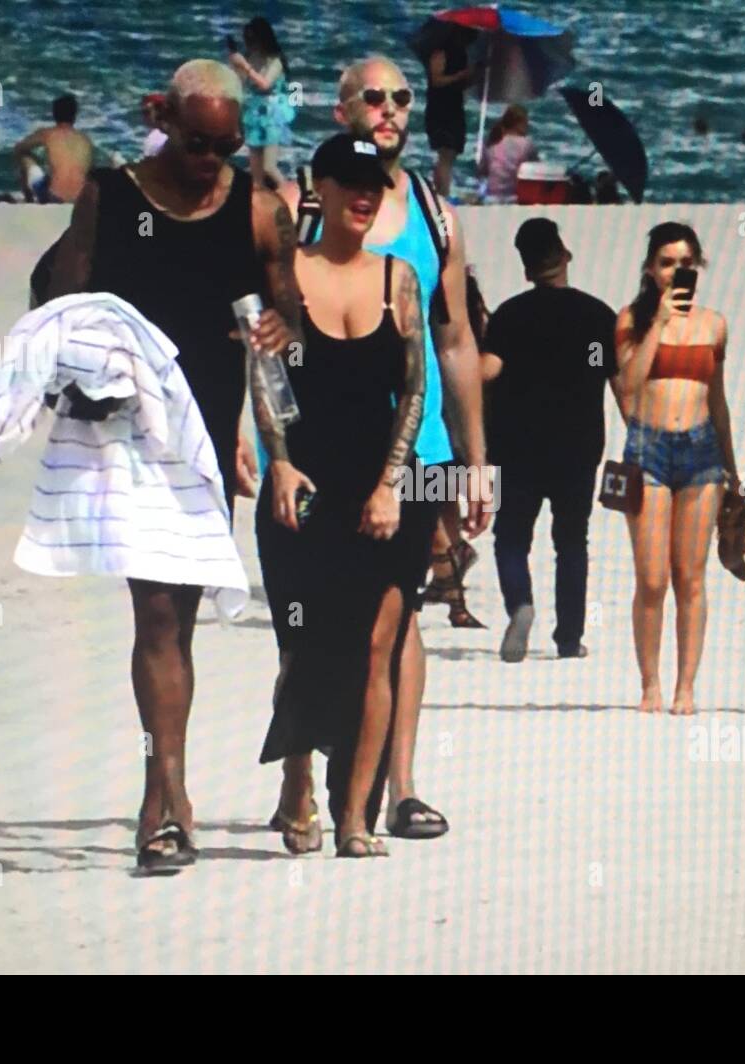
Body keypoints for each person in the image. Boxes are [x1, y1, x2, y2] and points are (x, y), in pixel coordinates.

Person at [44, 59, 301, 870]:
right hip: (125, 441)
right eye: (198, 143)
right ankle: (165, 797)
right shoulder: (111, 198)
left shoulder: (258, 210)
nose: (211, 160)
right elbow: (60, 303)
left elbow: (289, 314)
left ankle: (170, 794)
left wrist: (281, 332)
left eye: (228, 146)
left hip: (205, 447)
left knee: (179, 621)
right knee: (155, 616)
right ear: (162, 118)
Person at [275, 55, 490, 843]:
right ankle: (300, 778)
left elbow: (455, 340)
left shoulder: (436, 213)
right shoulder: (300, 204)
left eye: (403, 96)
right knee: (305, 621)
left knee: (402, 616)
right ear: (342, 111)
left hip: (419, 450)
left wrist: (477, 463)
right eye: (374, 97)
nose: (391, 108)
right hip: (320, 446)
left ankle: (400, 790)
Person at [255, 134, 428, 858]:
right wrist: (280, 462)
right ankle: (296, 781)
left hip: (383, 488)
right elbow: (265, 376)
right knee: (302, 644)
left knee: (376, 646)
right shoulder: (283, 275)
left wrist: (390, 485)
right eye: (349, 181)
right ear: (317, 188)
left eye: (375, 183)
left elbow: (413, 389)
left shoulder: (399, 279)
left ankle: (355, 815)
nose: (364, 194)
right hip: (303, 485)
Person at [613, 223, 743, 715]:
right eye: (666, 263)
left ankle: (685, 686)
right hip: (647, 449)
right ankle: (650, 683)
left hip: (701, 449)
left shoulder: (714, 324)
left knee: (691, 577)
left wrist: (732, 469)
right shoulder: (632, 319)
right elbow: (628, 384)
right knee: (652, 579)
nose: (676, 271)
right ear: (651, 269)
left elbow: (718, 399)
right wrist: (659, 324)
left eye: (685, 263)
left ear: (698, 266)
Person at [481, 219, 617, 662]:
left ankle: (521, 604)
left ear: (526, 270)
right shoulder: (598, 316)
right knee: (571, 541)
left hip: (516, 445)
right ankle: (569, 639)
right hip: (577, 445)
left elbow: (488, 371)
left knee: (511, 536)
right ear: (566, 255)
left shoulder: (508, 316)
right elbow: (616, 381)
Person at [421, 266, 488, 628]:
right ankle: (452, 567)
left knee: (433, 506)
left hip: (436, 415)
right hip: (450, 416)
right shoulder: (466, 300)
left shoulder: (434, 302)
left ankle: (452, 589)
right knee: (440, 501)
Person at [227, 18, 295, 190]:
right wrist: (236, 67)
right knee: (256, 172)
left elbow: (265, 84)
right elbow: (240, 83)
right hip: (254, 113)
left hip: (272, 114)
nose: (251, 44)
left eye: (253, 39)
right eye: (247, 39)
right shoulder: (250, 58)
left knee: (268, 167)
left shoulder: (275, 60)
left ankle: (290, 194)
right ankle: (260, 201)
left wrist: (245, 66)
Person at [13, 94, 96, 204]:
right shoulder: (85, 140)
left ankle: (28, 199)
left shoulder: (47, 134)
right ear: (74, 115)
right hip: (80, 200)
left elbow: (19, 147)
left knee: (23, 155)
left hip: (54, 198)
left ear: (54, 114)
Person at [423, 24, 475, 196]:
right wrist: (460, 76)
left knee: (450, 154)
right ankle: (442, 194)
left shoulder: (462, 55)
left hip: (454, 107)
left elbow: (461, 85)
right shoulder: (440, 53)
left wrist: (472, 76)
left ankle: (440, 191)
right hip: (440, 108)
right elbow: (436, 80)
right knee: (445, 152)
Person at [477, 105, 538, 204]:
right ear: (518, 124)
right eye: (526, 123)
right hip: (514, 198)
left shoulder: (493, 141)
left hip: (490, 198)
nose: (528, 126)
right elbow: (536, 171)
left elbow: (482, 171)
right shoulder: (527, 144)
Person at [140, 92, 168, 158]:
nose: (143, 117)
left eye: (146, 112)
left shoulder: (155, 138)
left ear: (159, 111)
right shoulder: (153, 136)